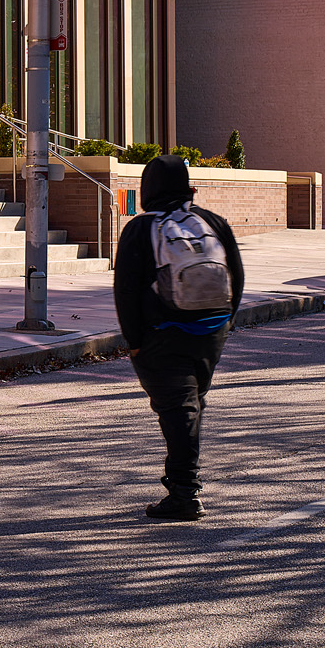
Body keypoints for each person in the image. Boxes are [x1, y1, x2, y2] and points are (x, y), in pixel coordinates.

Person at [112, 154, 247, 523]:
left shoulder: (142, 229)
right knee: (190, 406)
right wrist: (225, 324)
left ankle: (185, 494)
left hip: (162, 336)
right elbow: (237, 273)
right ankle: (184, 486)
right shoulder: (212, 222)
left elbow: (125, 289)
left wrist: (134, 340)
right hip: (211, 332)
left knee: (179, 411)